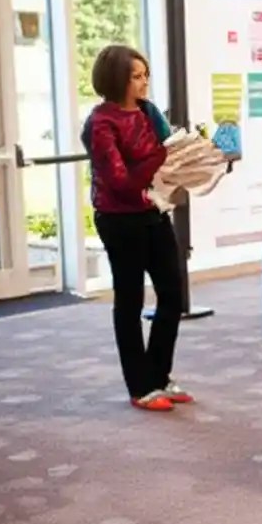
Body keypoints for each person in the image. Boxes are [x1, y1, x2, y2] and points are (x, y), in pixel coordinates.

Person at [80, 45, 188, 412]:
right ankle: (140, 386)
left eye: (146, 75)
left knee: (172, 293)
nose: (144, 83)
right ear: (117, 80)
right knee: (130, 300)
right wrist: (160, 158)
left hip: (153, 211)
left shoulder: (148, 112)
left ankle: (159, 375)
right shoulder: (101, 123)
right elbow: (121, 181)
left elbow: (172, 149)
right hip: (118, 218)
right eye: (136, 76)